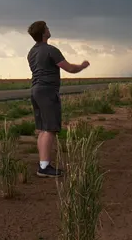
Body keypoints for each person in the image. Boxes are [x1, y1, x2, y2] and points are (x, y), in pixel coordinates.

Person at [26, 20, 90, 178]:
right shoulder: (51, 50)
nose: (49, 29)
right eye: (47, 28)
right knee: (50, 129)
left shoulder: (31, 52)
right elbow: (69, 68)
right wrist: (82, 66)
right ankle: (44, 167)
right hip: (47, 91)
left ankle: (43, 164)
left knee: (43, 129)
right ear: (43, 32)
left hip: (35, 90)